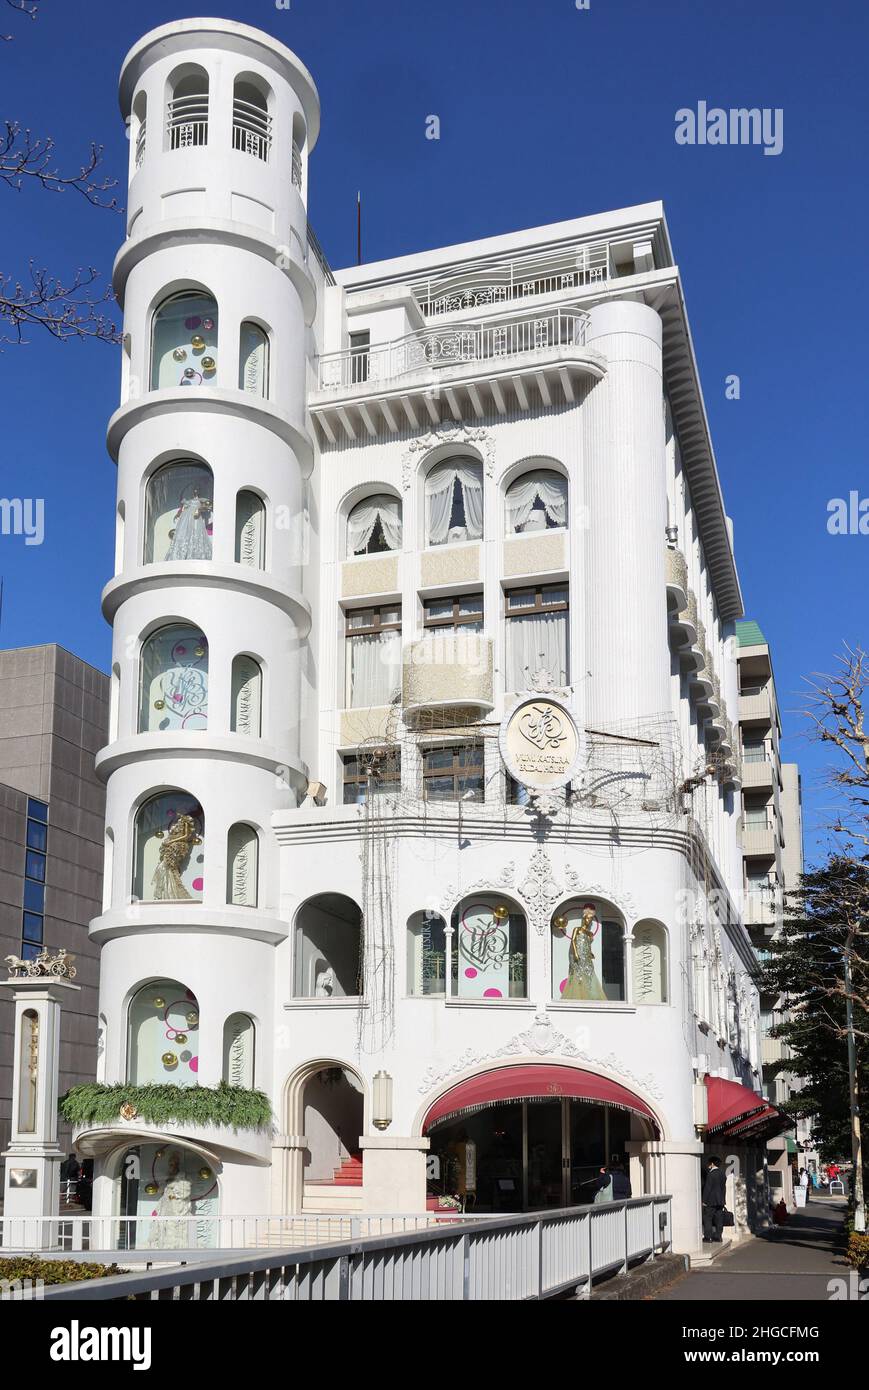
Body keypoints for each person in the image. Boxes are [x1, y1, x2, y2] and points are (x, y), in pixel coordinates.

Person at [701, 1155, 727, 1242]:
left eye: (709, 1163)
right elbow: (723, 1188)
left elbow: (707, 1188)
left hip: (711, 1201)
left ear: (712, 1164)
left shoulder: (711, 1174)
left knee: (707, 1218)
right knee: (719, 1219)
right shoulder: (722, 1173)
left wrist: (704, 1201)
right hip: (720, 1201)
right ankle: (718, 1236)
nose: (708, 1165)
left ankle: (708, 1237)